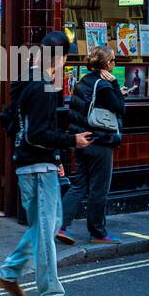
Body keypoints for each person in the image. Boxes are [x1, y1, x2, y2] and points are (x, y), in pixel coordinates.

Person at [0, 31, 93, 296]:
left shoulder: (28, 79)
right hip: (36, 167)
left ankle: (8, 272)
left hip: (34, 163)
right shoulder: (42, 85)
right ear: (60, 57)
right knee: (47, 231)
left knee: (46, 225)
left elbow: (17, 124)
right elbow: (37, 133)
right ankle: (51, 295)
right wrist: (72, 141)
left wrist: (56, 155)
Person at [58, 46, 125, 246]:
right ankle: (98, 232)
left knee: (79, 185)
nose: (115, 64)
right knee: (99, 188)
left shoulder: (82, 82)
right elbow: (120, 108)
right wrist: (115, 86)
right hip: (100, 142)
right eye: (113, 60)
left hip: (81, 139)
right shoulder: (105, 86)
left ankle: (60, 225)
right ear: (106, 64)